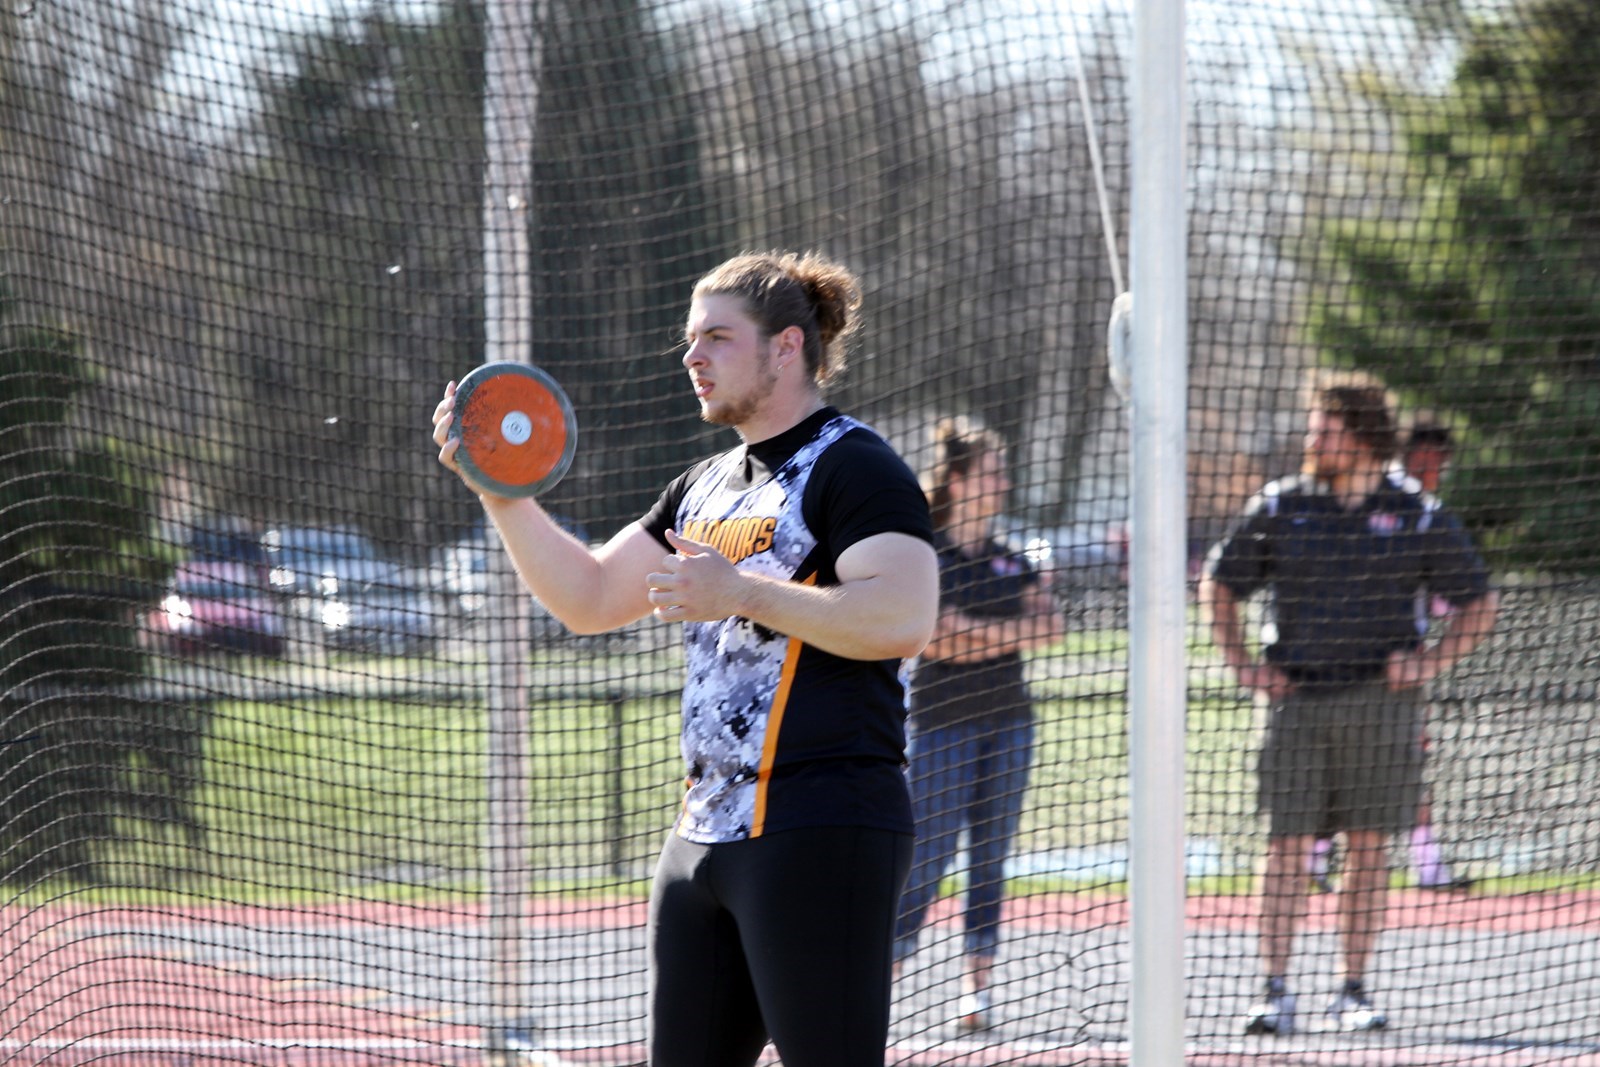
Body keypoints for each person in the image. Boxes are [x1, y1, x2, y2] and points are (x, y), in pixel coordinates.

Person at [431, 251, 940, 1067]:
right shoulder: (702, 485)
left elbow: (902, 617)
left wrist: (741, 591)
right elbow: (591, 598)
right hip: (703, 833)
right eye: (689, 339)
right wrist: (501, 491)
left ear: (786, 346)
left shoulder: (856, 465)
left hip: (821, 822)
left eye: (716, 337)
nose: (692, 357)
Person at [1198, 373, 1498, 1036]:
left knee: (1369, 847)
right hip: (1296, 701)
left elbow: (1480, 604)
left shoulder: (1416, 511)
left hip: (1380, 704)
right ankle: (1275, 992)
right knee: (1285, 847)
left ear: (1363, 437)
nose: (1313, 440)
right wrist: (1243, 664)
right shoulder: (1283, 504)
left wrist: (1429, 662)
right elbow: (1218, 584)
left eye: (1325, 429)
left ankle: (1352, 991)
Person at [891, 416, 1063, 1033]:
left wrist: (976, 630)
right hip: (942, 726)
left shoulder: (1012, 559)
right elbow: (938, 642)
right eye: (991, 472)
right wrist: (1004, 632)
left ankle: (977, 993)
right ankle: (879, 979)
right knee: (926, 860)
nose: (1002, 482)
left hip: (1009, 725)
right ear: (958, 481)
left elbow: (1052, 627)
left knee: (990, 861)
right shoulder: (928, 554)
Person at [1307, 420, 1471, 893]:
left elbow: (1450, 599)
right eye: (1422, 461)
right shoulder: (1377, 503)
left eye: (1438, 463)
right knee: (1332, 767)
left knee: (1405, 764)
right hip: (1339, 664)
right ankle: (1314, 860)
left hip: (1398, 672)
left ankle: (1427, 866)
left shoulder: (1427, 515)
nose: (1430, 470)